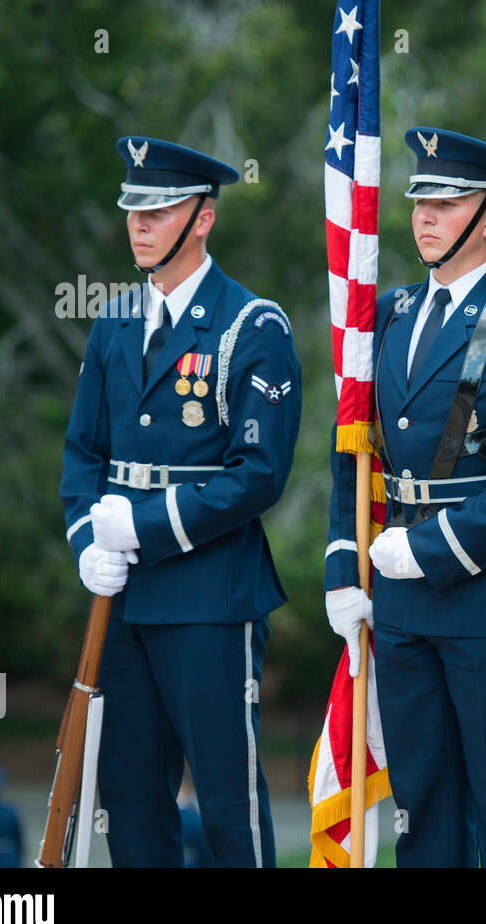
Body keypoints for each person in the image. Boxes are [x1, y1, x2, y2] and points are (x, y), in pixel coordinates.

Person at [323, 128, 486, 867]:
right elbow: (351, 446)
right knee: (423, 813)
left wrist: (429, 548)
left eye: (448, 202)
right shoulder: (389, 316)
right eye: (420, 201)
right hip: (402, 604)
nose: (426, 217)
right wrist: (344, 562)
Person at [60, 136, 302, 866]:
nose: (139, 223)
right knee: (130, 808)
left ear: (203, 218)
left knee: (230, 808)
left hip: (209, 599)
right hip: (123, 599)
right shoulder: (113, 322)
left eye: (159, 209)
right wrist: (85, 544)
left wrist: (140, 525)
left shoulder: (251, 327)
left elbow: (257, 473)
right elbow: (82, 454)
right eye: (133, 207)